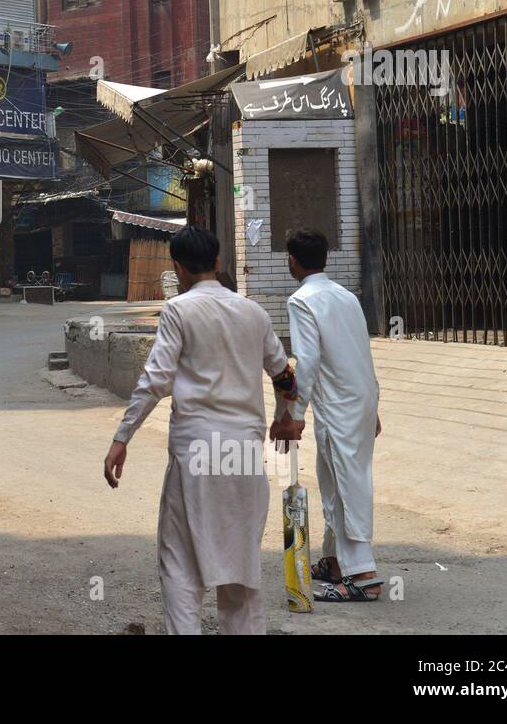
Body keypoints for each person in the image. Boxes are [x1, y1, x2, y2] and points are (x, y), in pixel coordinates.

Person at [102, 226, 298, 634]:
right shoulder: (254, 312)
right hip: (244, 450)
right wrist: (285, 416)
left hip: (197, 452)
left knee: (180, 566)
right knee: (240, 570)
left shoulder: (179, 310)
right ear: (218, 261)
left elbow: (155, 380)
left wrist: (122, 438)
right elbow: (284, 374)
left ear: (177, 267)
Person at [279, 229, 383, 603]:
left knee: (349, 484)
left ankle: (364, 575)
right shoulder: (346, 296)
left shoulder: (301, 301)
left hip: (338, 405)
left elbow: (306, 363)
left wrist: (294, 413)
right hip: (358, 400)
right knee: (334, 483)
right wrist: (374, 405)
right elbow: (362, 352)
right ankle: (336, 561)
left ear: (292, 260)